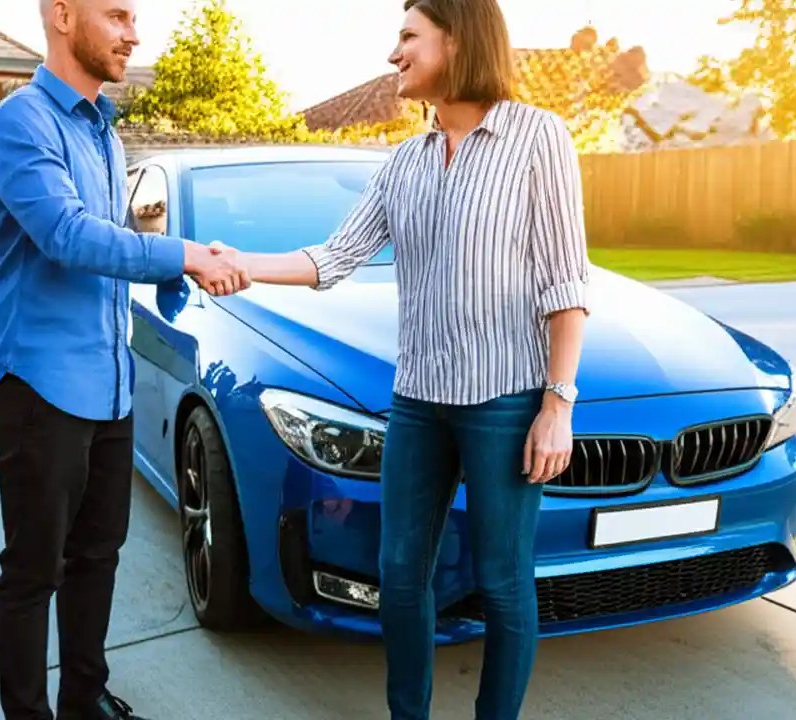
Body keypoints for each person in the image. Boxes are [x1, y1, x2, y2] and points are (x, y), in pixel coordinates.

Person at [210, 1, 590, 718]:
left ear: (458, 38)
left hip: (505, 400)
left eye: (408, 37)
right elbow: (334, 258)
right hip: (417, 401)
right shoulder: (404, 161)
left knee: (505, 580)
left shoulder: (539, 138)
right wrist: (239, 261)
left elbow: (565, 281)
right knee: (399, 573)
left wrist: (557, 403)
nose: (394, 54)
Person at [0, 1, 247, 718]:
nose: (134, 31)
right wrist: (182, 253)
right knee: (34, 570)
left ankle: (83, 700)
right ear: (62, 14)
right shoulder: (20, 122)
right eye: (118, 14)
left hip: (109, 383)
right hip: (38, 388)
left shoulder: (104, 134)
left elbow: (115, 235)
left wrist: (169, 272)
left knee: (97, 559)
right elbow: (67, 235)